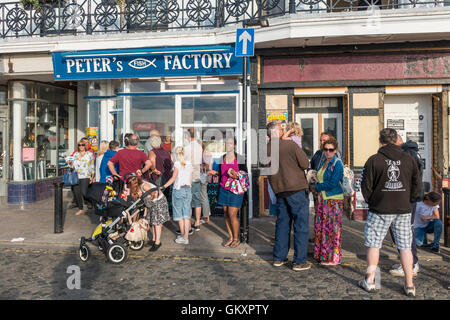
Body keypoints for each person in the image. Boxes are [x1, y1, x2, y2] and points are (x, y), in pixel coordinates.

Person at [360, 128, 421, 297]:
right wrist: (409, 200)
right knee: (405, 246)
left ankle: (371, 281)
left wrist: (372, 201)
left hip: (380, 208)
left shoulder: (374, 160)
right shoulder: (409, 159)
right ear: (396, 140)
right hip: (403, 208)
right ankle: (409, 285)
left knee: (374, 244)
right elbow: (417, 183)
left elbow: (366, 185)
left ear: (380, 141)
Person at [266, 120, 311, 271]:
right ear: (276, 132)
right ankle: (299, 261)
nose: (282, 130)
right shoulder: (290, 145)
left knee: (282, 225)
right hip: (296, 188)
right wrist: (290, 140)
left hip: (279, 190)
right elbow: (305, 164)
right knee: (301, 225)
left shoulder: (266, 149)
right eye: (280, 128)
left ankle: (279, 258)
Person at [389, 135, 423, 277]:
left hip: (407, 198)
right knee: (402, 229)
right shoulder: (412, 152)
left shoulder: (408, 154)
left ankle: (411, 263)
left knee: (404, 231)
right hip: (408, 197)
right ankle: (408, 262)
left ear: (396, 142)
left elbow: (407, 177)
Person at [310, 137, 344, 266]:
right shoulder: (323, 162)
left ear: (335, 150)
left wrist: (317, 187)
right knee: (321, 228)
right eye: (326, 149)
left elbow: (333, 182)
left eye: (331, 150)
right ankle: (322, 255)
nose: (328, 152)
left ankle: (333, 258)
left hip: (333, 200)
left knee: (332, 230)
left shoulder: (337, 163)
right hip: (322, 200)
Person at [209, 137, 248, 248]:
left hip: (236, 190)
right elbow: (221, 174)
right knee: (226, 214)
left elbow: (245, 174)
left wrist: (236, 175)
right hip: (223, 188)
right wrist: (214, 172)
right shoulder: (222, 158)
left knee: (232, 214)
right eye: (227, 143)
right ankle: (230, 237)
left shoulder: (239, 158)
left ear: (234, 145)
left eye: (231, 143)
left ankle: (237, 238)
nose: (228, 145)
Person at [163, 146, 193, 245]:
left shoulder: (177, 164)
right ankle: (186, 237)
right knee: (186, 215)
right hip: (188, 190)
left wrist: (163, 186)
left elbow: (173, 178)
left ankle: (183, 237)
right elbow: (190, 180)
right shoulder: (189, 164)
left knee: (180, 215)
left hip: (178, 190)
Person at [67, 140, 95, 216]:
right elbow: (72, 166)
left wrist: (92, 177)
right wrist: (69, 163)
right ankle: (81, 208)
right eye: (79, 145)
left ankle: (91, 201)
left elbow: (92, 166)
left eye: (83, 145)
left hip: (86, 176)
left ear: (85, 146)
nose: (81, 146)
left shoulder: (89, 154)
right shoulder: (75, 154)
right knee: (76, 193)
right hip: (76, 176)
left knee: (84, 192)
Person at [184, 130, 204, 232]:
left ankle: (187, 226)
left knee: (187, 202)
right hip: (196, 176)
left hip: (188, 177)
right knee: (197, 201)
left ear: (188, 136)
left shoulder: (187, 148)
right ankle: (197, 222)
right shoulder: (199, 147)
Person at [199, 141, 212, 224]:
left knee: (203, 197)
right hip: (203, 176)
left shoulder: (205, 153)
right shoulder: (204, 153)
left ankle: (206, 216)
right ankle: (206, 214)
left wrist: (197, 166)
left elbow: (207, 166)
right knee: (203, 196)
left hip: (203, 177)